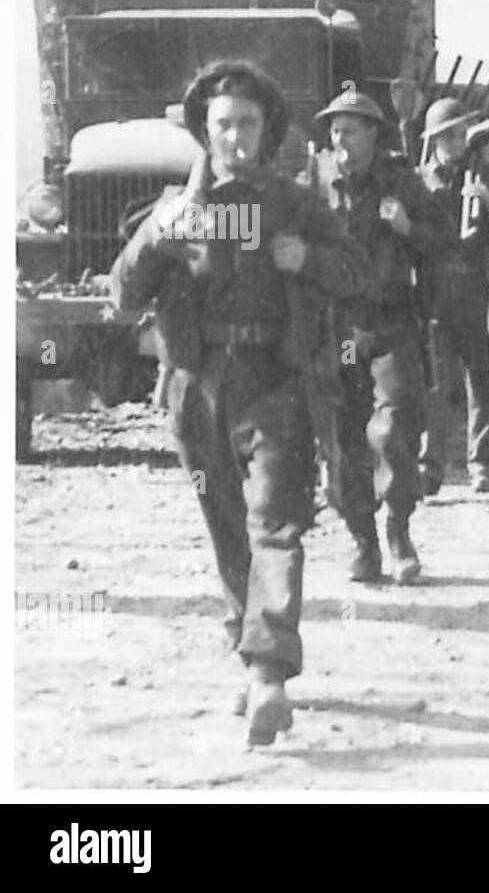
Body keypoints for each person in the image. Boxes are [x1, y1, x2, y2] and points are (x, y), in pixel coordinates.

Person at [109, 61, 374, 745]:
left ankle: (269, 672)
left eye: (247, 123)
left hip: (276, 380)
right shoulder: (177, 206)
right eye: (222, 124)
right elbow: (122, 295)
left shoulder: (294, 204)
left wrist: (305, 260)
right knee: (227, 524)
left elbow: (359, 274)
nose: (234, 136)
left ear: (266, 131)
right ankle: (249, 646)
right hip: (197, 388)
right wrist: (153, 239)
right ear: (204, 130)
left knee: (276, 525)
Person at [303, 89, 451, 584]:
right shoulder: (315, 184)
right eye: (335, 129)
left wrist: (408, 227)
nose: (341, 138)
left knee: (394, 428)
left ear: (373, 136)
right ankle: (363, 541)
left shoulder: (402, 183)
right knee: (344, 440)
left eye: (351, 129)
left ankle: (399, 531)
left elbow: (444, 240)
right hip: (339, 328)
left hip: (389, 324)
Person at [418, 97, 489, 495]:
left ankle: (483, 463)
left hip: (477, 287)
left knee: (482, 379)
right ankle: (430, 466)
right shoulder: (419, 180)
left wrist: (488, 200)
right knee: (436, 384)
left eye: (461, 133)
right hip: (436, 289)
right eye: (449, 134)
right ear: (435, 138)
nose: (457, 141)